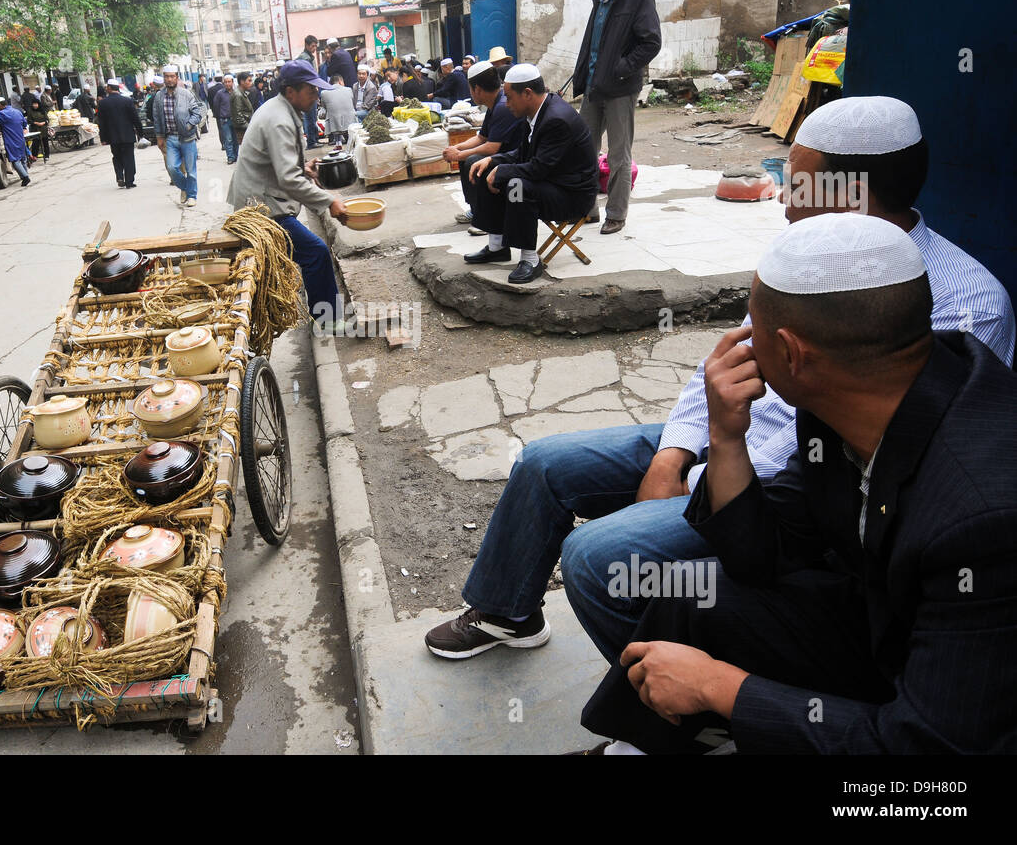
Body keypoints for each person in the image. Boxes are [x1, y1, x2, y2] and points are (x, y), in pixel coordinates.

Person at [422, 96, 1015, 664]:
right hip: (726, 431)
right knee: (545, 464)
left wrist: (703, 479)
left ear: (852, 194)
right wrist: (674, 453)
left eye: (801, 185)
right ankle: (506, 613)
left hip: (782, 492)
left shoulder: (965, 303)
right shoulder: (803, 257)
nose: (784, 203)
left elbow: (851, 453)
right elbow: (723, 363)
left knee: (600, 557)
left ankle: (692, 709)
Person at [580, 212, 1017, 754]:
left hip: (943, 738)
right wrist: (726, 437)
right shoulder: (846, 403)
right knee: (692, 598)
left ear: (790, 354)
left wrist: (723, 688)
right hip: (886, 625)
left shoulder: (984, 516)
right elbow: (760, 556)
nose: (740, 349)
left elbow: (932, 752)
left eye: (750, 333)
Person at [227, 59, 352, 331]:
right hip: (261, 210)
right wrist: (329, 201)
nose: (316, 96)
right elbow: (287, 179)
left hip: (259, 197)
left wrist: (303, 169)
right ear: (291, 91)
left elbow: (278, 165)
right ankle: (327, 321)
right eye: (311, 91)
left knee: (307, 254)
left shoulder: (278, 108)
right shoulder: (280, 119)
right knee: (316, 252)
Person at [462, 63, 598, 284]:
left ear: (527, 93)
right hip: (552, 182)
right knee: (482, 167)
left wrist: (501, 170)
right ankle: (497, 246)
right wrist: (492, 160)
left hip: (573, 195)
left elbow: (538, 168)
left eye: (508, 97)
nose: (505, 103)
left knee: (518, 186)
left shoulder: (556, 120)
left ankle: (530, 260)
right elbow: (522, 153)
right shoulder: (535, 112)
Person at [570, 0, 661, 236]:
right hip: (595, 85)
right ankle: (587, 208)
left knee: (618, 154)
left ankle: (617, 213)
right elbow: (593, 43)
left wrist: (621, 68)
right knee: (583, 149)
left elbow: (651, 43)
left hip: (621, 87)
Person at [444, 62, 523, 226]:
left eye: (470, 89)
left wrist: (459, 154)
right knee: (467, 158)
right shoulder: (494, 105)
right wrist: (457, 148)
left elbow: (491, 147)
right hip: (504, 153)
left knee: (473, 161)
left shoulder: (501, 106)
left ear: (477, 89)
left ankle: (485, 216)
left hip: (514, 157)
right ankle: (477, 210)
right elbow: (482, 138)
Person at [145, 64, 206, 205]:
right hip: (171, 138)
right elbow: (157, 118)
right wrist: (159, 137)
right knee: (172, 168)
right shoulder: (159, 97)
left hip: (188, 137)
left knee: (191, 170)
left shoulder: (186, 94)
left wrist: (189, 125)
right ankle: (185, 188)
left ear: (176, 78)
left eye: (172, 76)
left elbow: (197, 112)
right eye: (166, 77)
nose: (169, 79)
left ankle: (192, 197)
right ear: (164, 79)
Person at [95, 78, 144, 188]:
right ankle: (129, 182)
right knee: (129, 158)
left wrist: (103, 138)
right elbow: (135, 118)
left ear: (109, 88)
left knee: (116, 157)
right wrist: (140, 133)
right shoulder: (127, 101)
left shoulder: (103, 103)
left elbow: (101, 123)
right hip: (128, 135)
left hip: (112, 137)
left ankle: (120, 177)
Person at [0, 97, 31, 187]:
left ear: (0, 105)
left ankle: (25, 177)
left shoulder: (3, 114)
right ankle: (26, 175)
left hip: (10, 140)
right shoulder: (17, 112)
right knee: (22, 159)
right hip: (20, 138)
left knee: (15, 160)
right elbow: (24, 124)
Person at [297, 36, 322, 148]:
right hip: (308, 90)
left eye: (316, 46)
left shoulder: (309, 57)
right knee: (310, 117)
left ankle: (314, 139)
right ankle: (312, 141)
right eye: (312, 46)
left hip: (311, 90)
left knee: (312, 116)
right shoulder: (304, 58)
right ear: (306, 45)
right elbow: (308, 76)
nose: (314, 48)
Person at [320, 75, 355, 146]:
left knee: (329, 112)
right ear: (340, 81)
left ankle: (338, 142)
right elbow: (352, 103)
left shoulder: (324, 93)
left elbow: (324, 107)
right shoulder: (349, 89)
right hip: (351, 122)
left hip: (334, 125)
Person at [215, 74, 237, 163]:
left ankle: (237, 156)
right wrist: (219, 117)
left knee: (236, 139)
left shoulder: (237, 92)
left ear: (232, 82)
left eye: (229, 82)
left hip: (236, 120)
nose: (227, 84)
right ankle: (230, 157)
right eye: (226, 82)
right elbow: (216, 106)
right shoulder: (220, 93)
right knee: (228, 139)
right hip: (225, 120)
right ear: (223, 83)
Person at [231, 72, 255, 149]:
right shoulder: (238, 95)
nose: (251, 83)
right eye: (249, 80)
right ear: (242, 82)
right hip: (243, 130)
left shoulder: (242, 93)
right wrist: (249, 127)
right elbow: (238, 116)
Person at [26, 97, 51, 163]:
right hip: (35, 129)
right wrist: (35, 123)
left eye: (36, 104)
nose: (35, 105)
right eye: (33, 104)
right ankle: (34, 156)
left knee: (45, 142)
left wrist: (43, 123)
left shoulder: (43, 111)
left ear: (38, 104)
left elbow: (47, 120)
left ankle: (47, 155)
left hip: (43, 129)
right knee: (35, 143)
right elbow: (28, 121)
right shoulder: (30, 111)